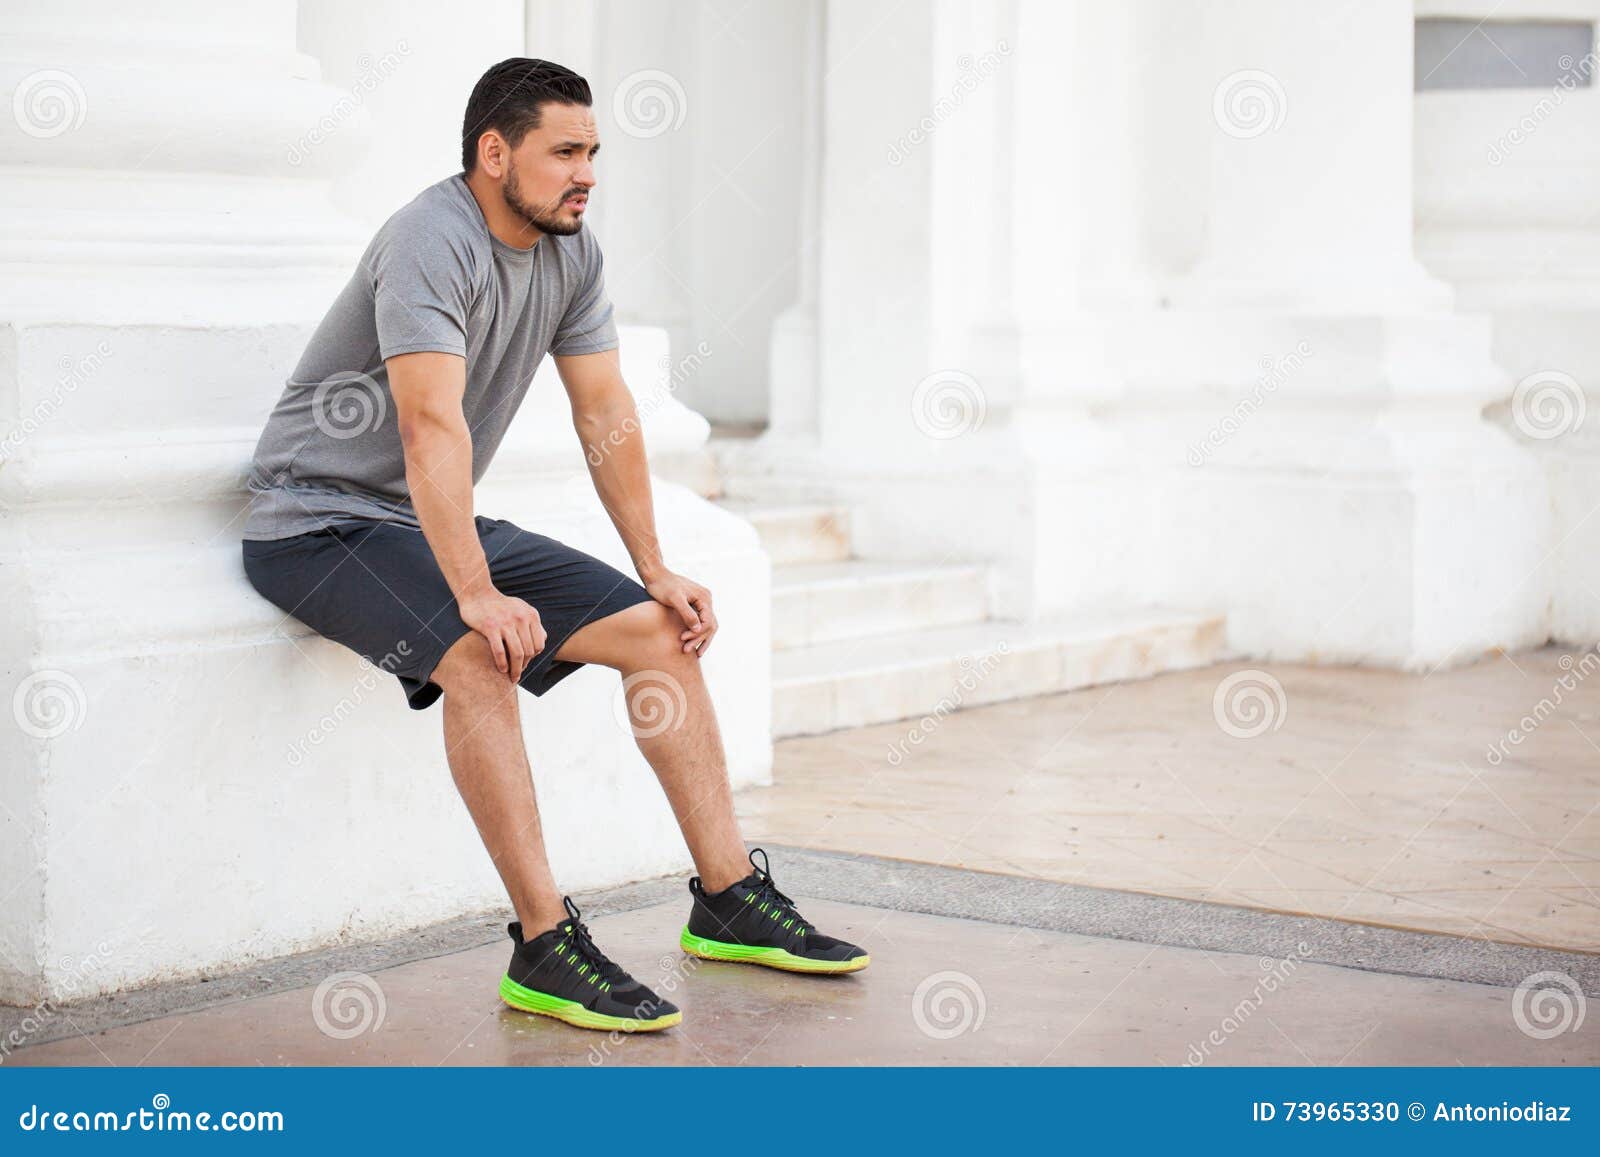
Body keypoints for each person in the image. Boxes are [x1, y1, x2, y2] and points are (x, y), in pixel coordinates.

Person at [239, 57, 867, 1033]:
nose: (586, 173)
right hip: (314, 522)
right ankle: (542, 944)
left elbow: (604, 410)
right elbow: (427, 428)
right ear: (495, 153)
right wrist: (476, 592)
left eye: (593, 153)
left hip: (412, 518)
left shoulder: (570, 251)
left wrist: (656, 562)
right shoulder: (427, 240)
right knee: (478, 654)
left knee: (662, 631)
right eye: (564, 151)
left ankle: (728, 894)